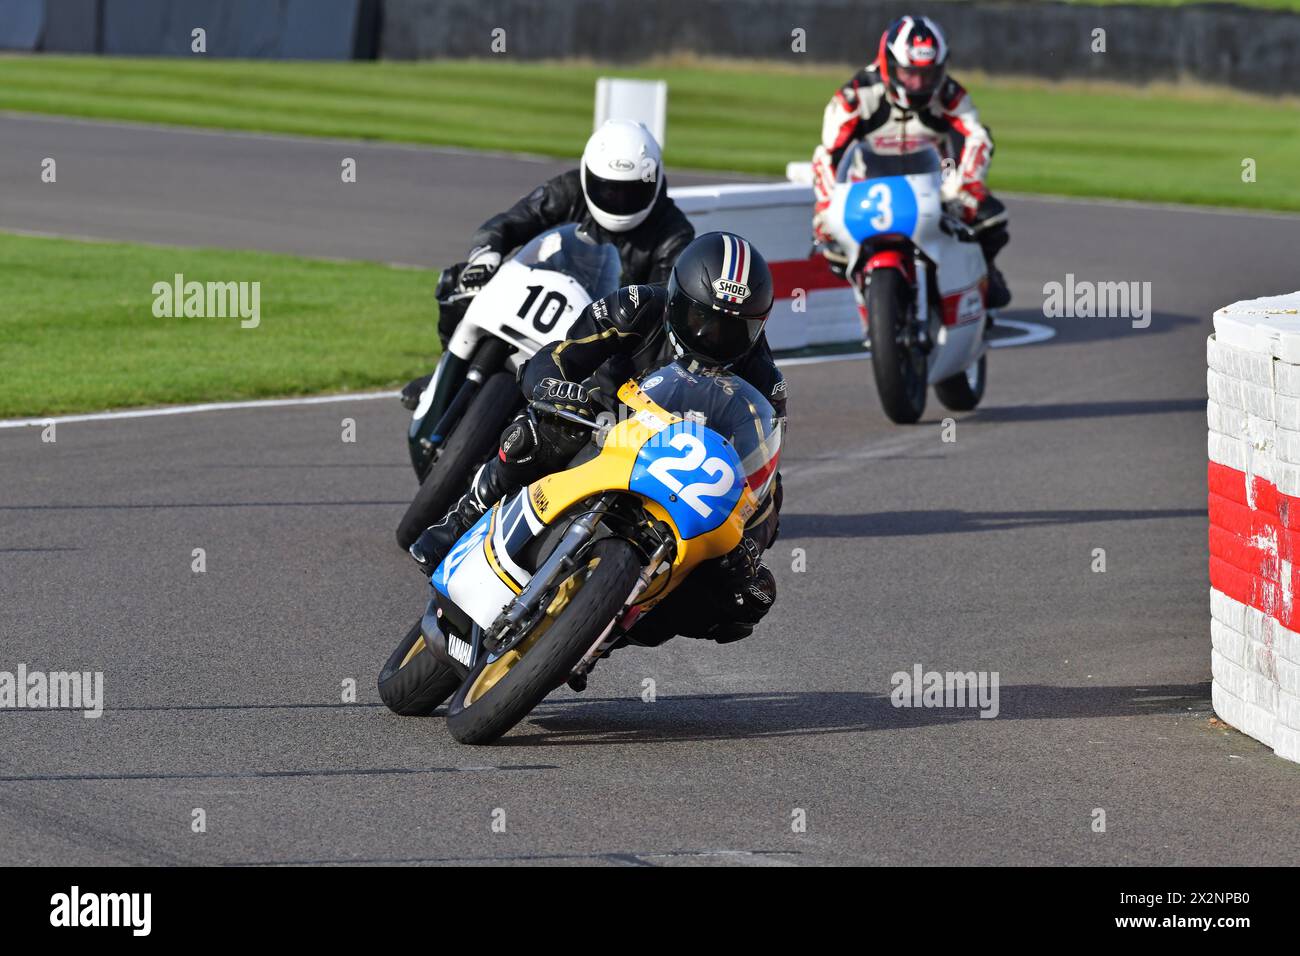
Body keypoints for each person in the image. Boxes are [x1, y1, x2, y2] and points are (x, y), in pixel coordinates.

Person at [410, 231, 787, 649]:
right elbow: (556, 355)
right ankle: (463, 517)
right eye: (703, 321)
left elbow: (764, 481)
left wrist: (747, 549)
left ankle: (609, 626)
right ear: (679, 301)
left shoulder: (765, 382)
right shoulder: (638, 306)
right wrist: (555, 388)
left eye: (732, 331)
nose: (713, 338)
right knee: (541, 429)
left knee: (735, 605)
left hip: (678, 476)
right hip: (603, 425)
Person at [401, 119, 695, 409]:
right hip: (545, 288)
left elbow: (663, 302)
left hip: (602, 326)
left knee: (624, 375)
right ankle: (446, 372)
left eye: (631, 191)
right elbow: (511, 222)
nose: (618, 200)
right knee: (458, 283)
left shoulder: (674, 231)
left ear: (653, 182)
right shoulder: (569, 189)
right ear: (587, 175)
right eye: (607, 189)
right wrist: (487, 252)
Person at [810, 14, 1011, 308]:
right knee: (832, 250)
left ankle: (984, 274)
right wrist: (826, 205)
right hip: (870, 192)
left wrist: (966, 184)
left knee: (990, 219)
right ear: (889, 64)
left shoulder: (949, 95)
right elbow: (827, 153)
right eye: (909, 73)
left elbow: (977, 138)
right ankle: (873, 297)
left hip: (935, 187)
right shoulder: (856, 96)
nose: (918, 84)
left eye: (927, 74)